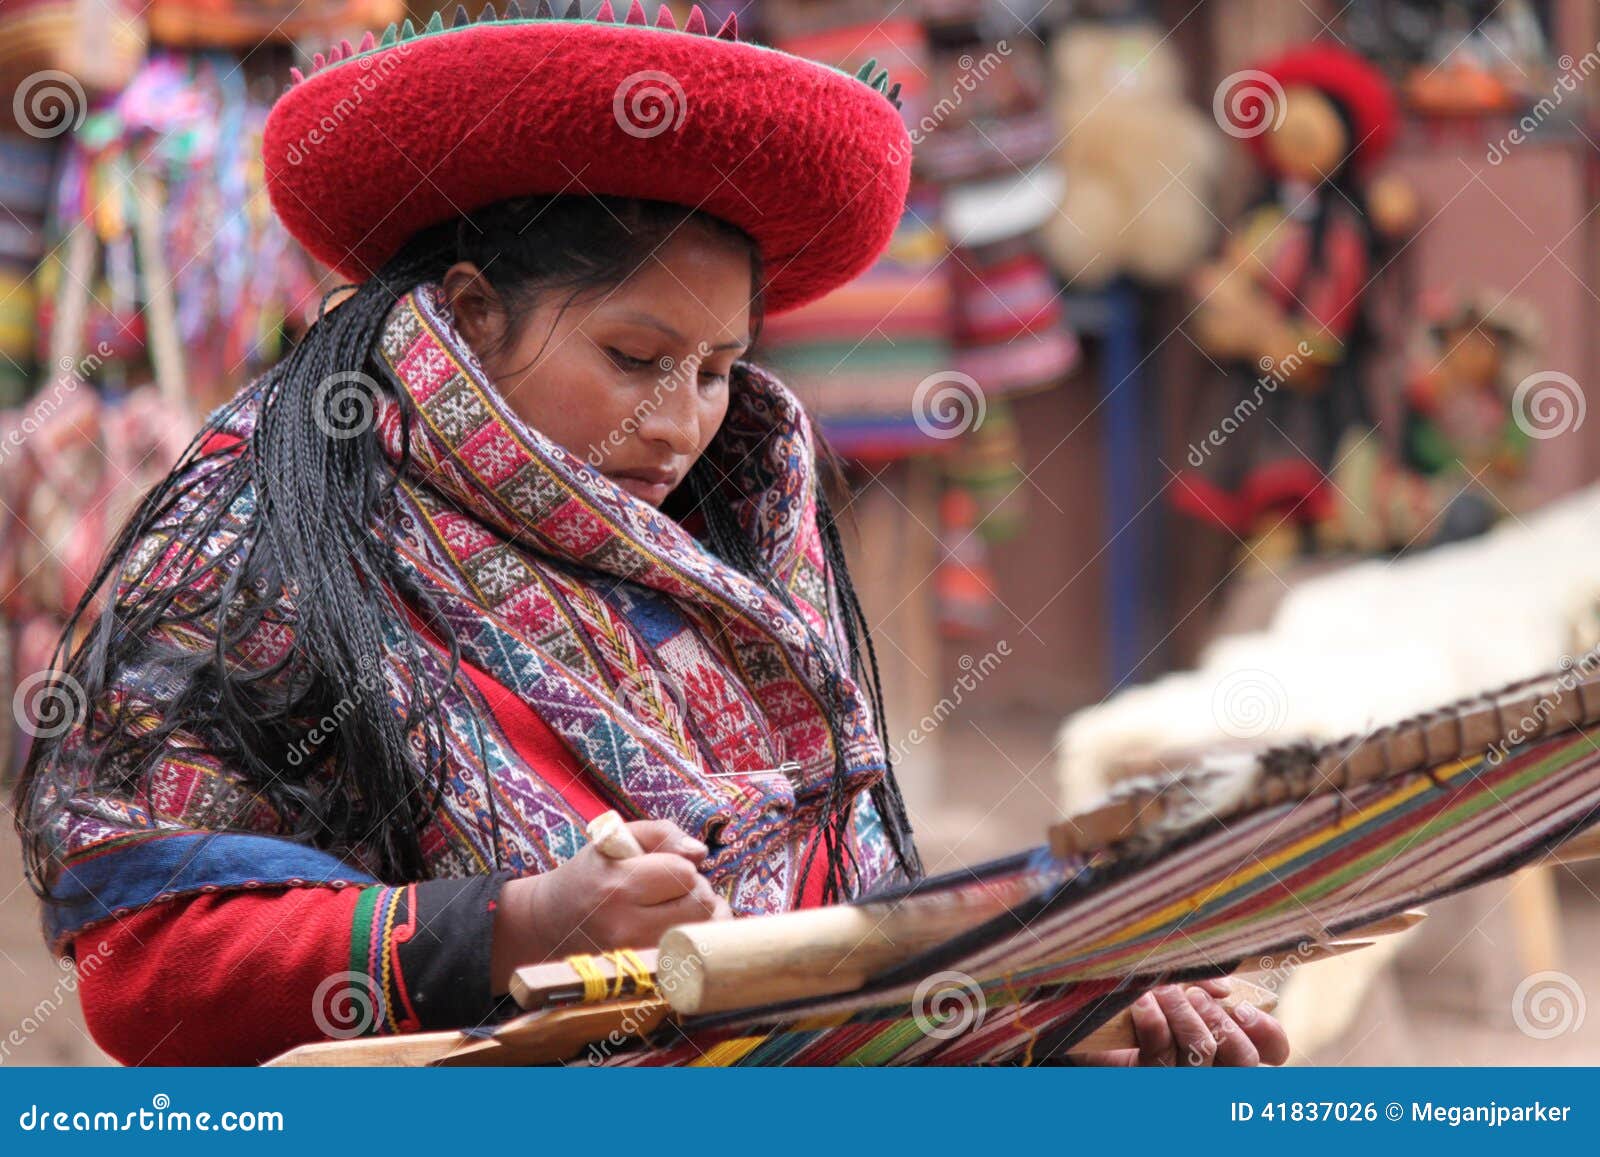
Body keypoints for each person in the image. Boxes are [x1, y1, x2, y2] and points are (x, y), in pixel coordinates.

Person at [12, 2, 1286, 1068]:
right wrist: (514, 926)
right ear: (469, 313)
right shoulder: (270, 539)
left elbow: (824, 938)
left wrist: (1073, 1003)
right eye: (634, 356)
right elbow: (148, 975)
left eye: (720, 367)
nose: (681, 421)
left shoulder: (728, 562)